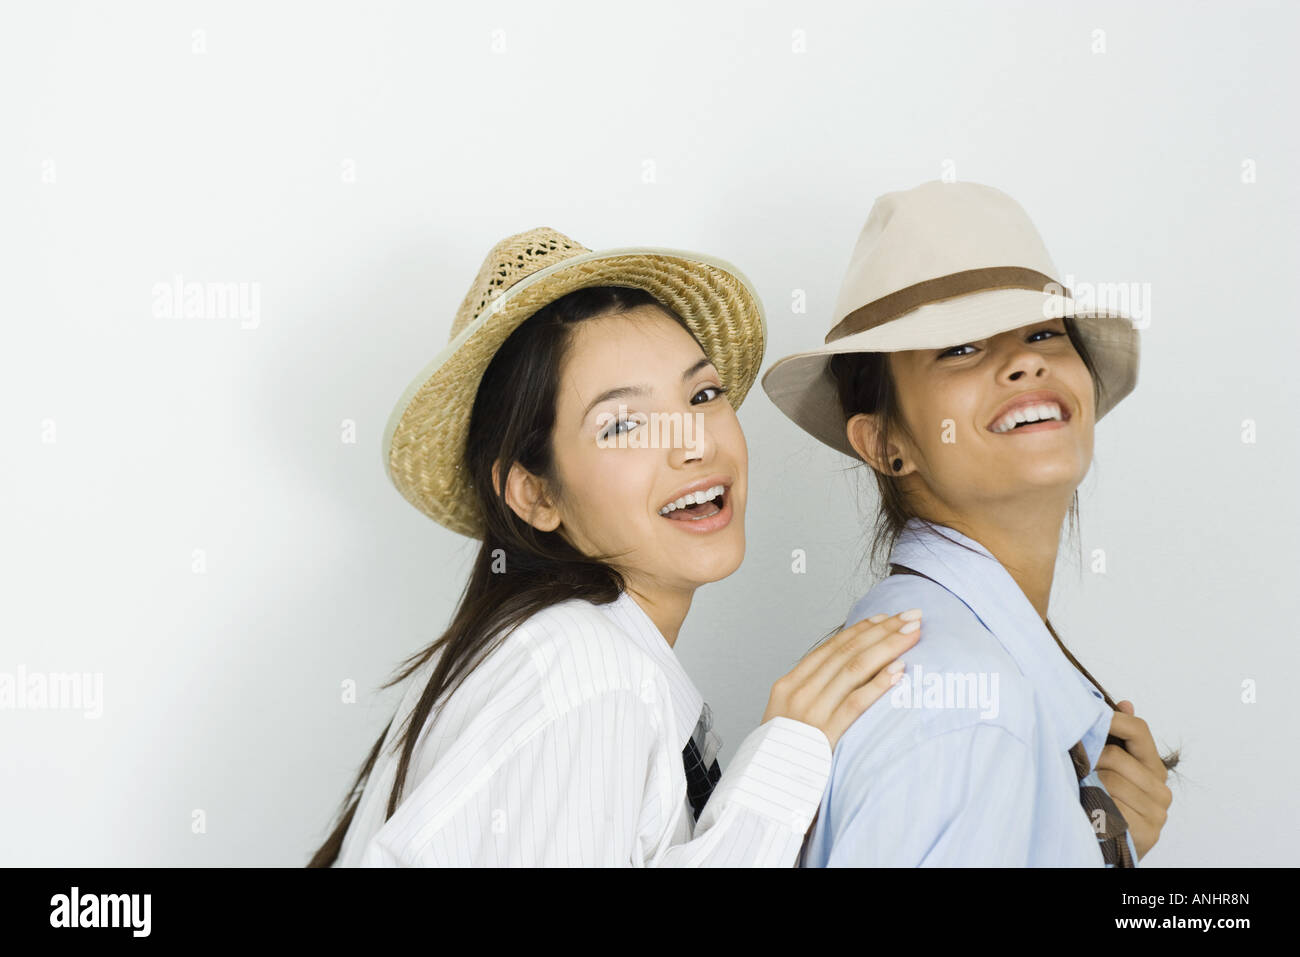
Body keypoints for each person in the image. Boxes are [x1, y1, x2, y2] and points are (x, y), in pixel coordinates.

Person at [308, 227, 920, 867]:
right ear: (534, 493)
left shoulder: (557, 654)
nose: (693, 443)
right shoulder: (586, 680)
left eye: (702, 396)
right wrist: (780, 768)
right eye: (624, 423)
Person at [761, 181, 1178, 867]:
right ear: (884, 442)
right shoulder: (966, 713)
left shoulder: (956, 675)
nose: (1026, 360)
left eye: (1045, 332)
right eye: (959, 347)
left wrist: (1095, 841)